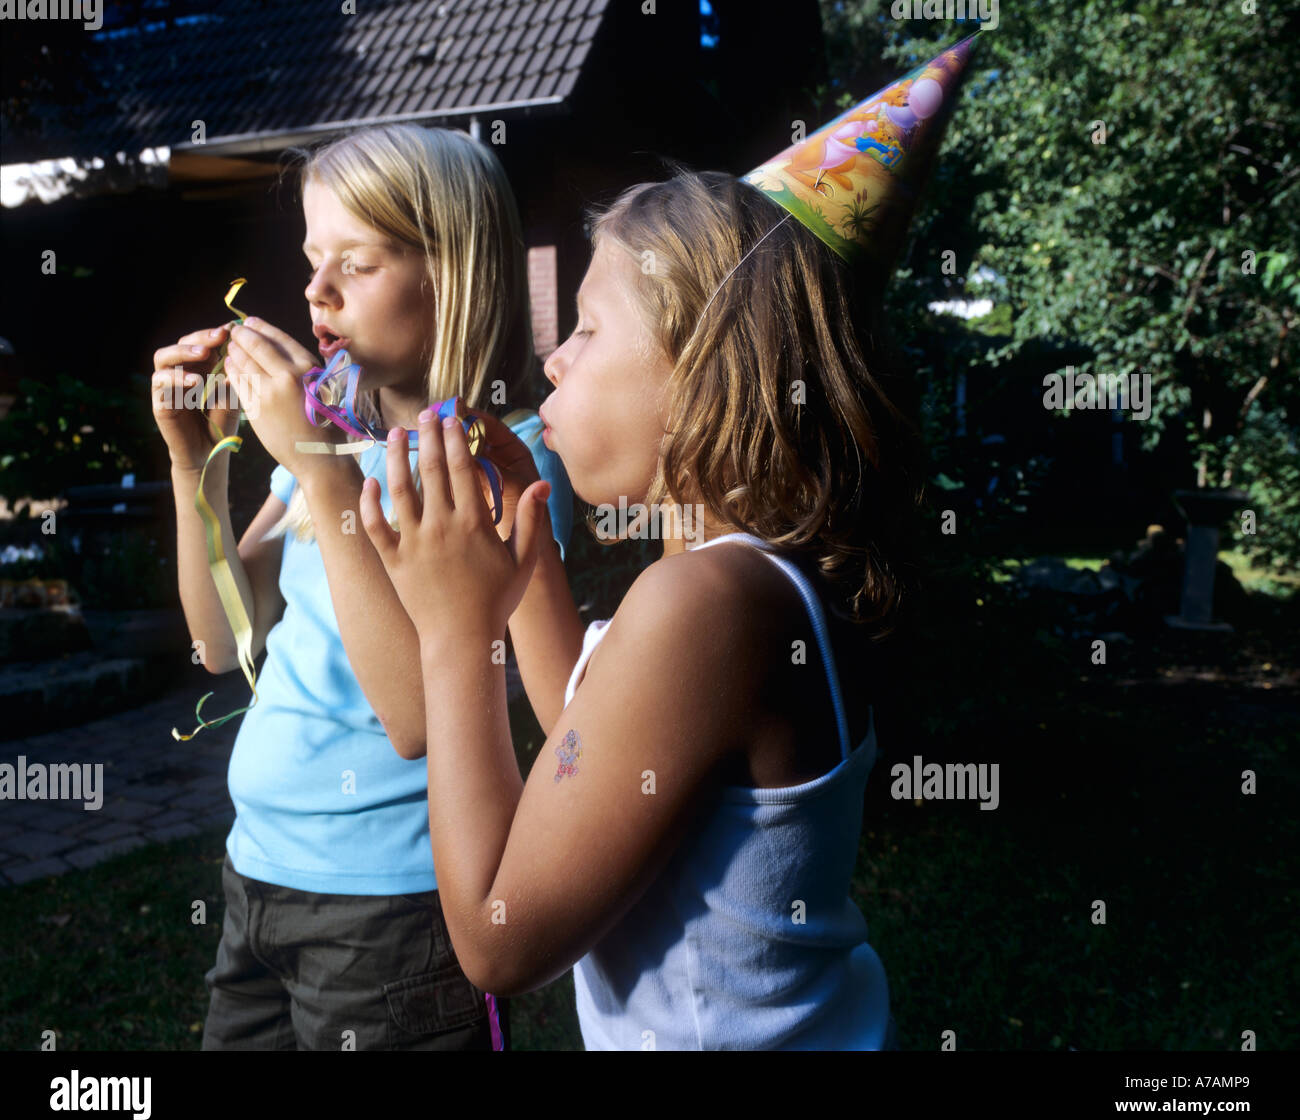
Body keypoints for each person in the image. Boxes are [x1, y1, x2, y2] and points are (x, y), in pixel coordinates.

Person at [359, 36, 976, 1049]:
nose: (553, 358)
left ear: (705, 370)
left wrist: (448, 634)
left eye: (590, 329)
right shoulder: (723, 579)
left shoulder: (707, 602)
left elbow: (499, 942)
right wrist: (527, 567)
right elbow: (587, 758)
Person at [150, 123, 572, 1050]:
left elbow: (417, 720)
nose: (316, 291)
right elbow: (222, 643)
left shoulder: (504, 462)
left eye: (357, 261)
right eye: (311, 261)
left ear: (450, 273)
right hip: (255, 874)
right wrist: (194, 468)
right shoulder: (330, 442)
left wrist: (323, 472)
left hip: (390, 912)